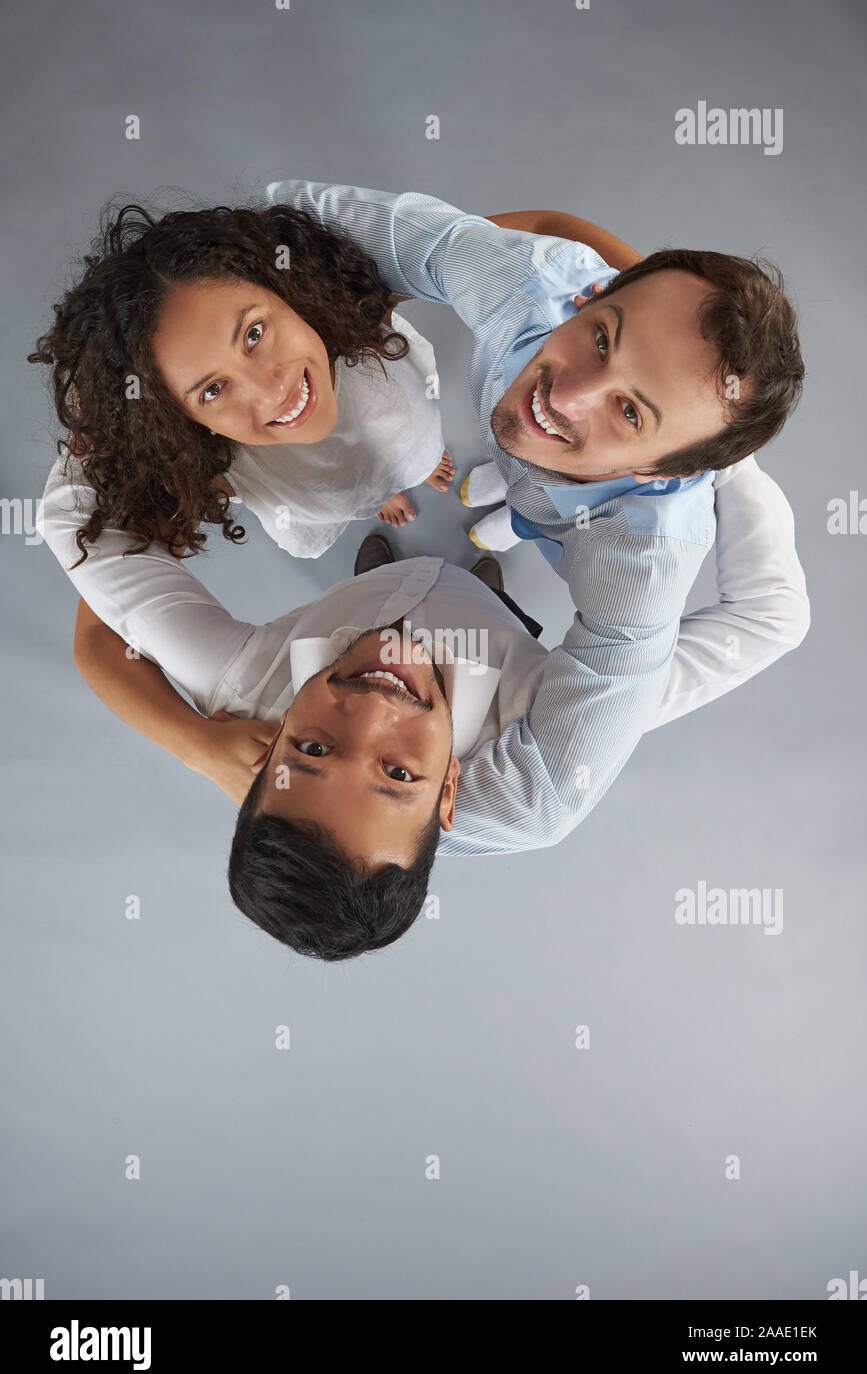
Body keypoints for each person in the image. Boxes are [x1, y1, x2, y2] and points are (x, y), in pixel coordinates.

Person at [38, 438, 808, 961]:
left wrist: (192, 741)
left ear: (266, 747)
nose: (373, 710)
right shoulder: (542, 760)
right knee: (486, 598)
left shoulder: (243, 687)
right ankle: (484, 589)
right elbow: (770, 617)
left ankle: (383, 572)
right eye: (397, 774)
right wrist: (720, 447)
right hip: (507, 657)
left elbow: (95, 608)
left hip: (364, 601)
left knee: (379, 575)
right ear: (450, 795)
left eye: (311, 749)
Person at [268, 181, 804, 564]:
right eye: (601, 339)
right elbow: (291, 214)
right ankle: (512, 473)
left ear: (665, 471)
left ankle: (517, 524)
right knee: (532, 447)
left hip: (571, 508)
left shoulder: (650, 549)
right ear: (591, 298)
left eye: (630, 411)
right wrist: (379, 296)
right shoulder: (542, 282)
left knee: (540, 513)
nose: (566, 396)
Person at [28, 197, 456, 571]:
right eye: (211, 390)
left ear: (285, 290)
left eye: (253, 334)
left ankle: (404, 475)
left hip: (409, 430)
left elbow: (487, 254)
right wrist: (105, 423)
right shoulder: (215, 471)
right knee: (363, 487)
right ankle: (381, 493)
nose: (272, 392)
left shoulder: (360, 308)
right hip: (331, 495)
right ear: (180, 421)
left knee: (411, 454)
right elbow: (114, 550)